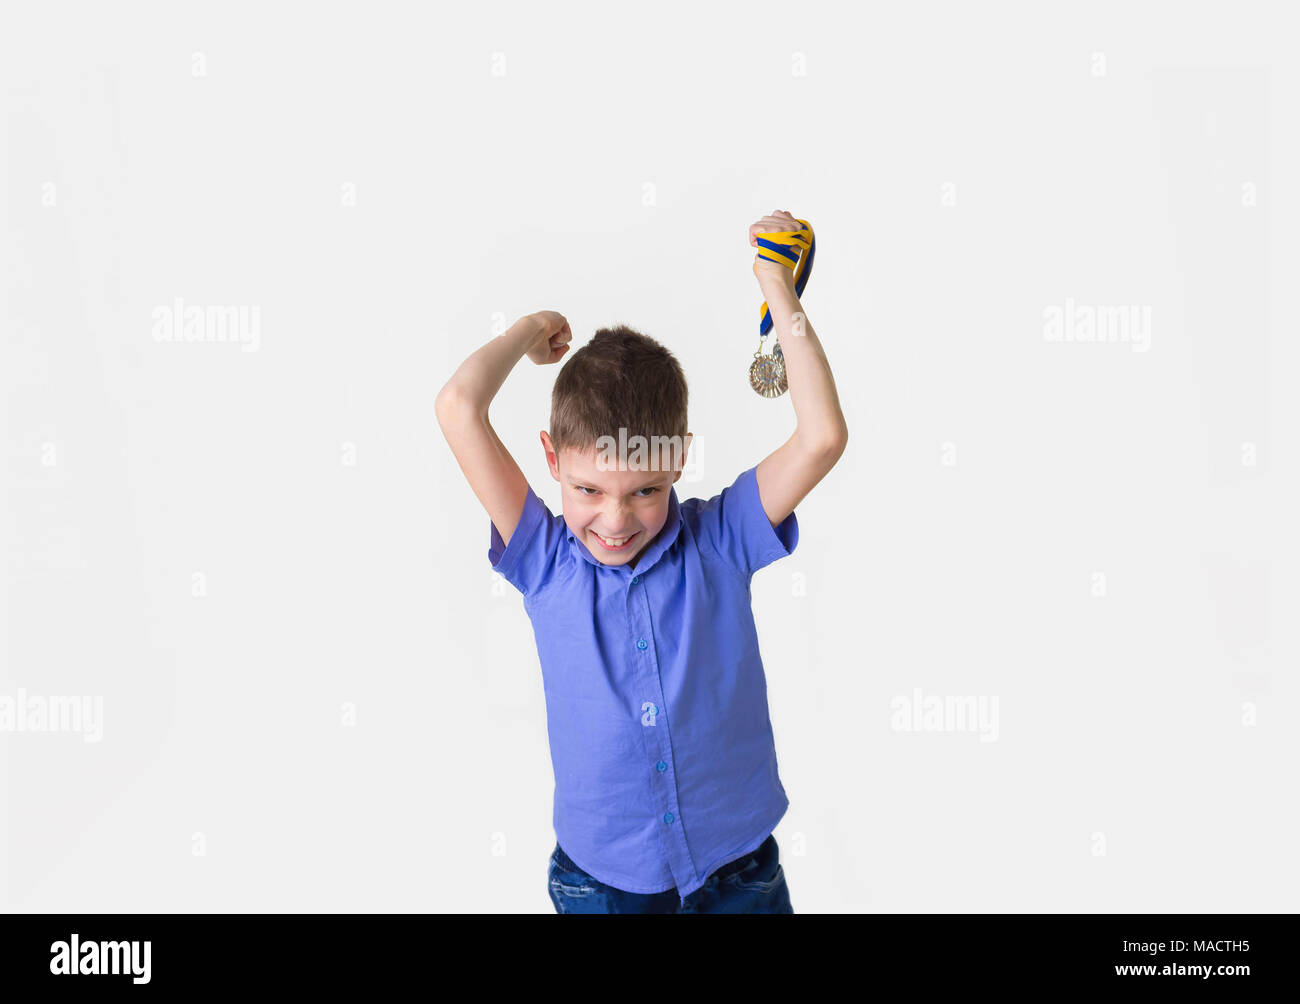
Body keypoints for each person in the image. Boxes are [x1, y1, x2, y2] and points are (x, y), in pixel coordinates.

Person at [435, 210, 848, 913]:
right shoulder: (544, 558)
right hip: (600, 885)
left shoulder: (720, 540)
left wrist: (778, 288)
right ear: (551, 459)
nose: (615, 520)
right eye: (588, 489)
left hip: (737, 872)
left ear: (679, 458)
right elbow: (458, 406)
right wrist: (529, 330)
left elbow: (822, 437)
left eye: (646, 490)